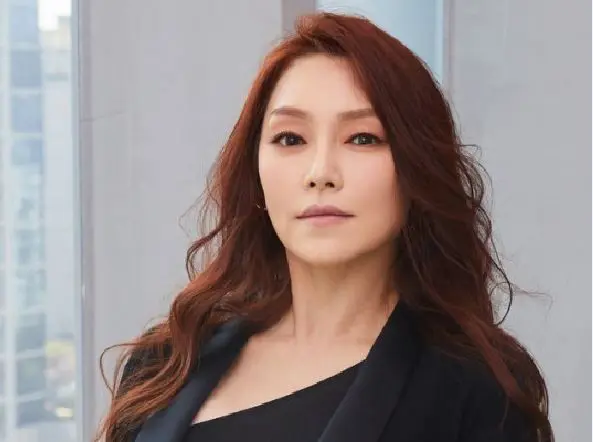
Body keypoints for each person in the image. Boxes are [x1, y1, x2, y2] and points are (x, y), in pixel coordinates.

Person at [95, 12, 554, 442]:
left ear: (416, 166)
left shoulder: (475, 392)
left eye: (363, 138)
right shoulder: (167, 362)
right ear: (255, 169)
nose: (320, 173)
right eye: (290, 138)